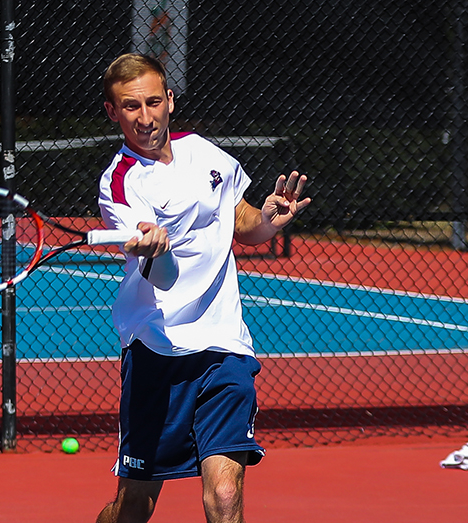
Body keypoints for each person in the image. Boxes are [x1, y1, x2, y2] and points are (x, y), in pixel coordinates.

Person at [95, 53, 311, 523]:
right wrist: (156, 250)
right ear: (113, 112)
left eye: (154, 102)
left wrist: (268, 220)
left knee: (225, 494)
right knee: (134, 507)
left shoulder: (205, 153)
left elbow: (241, 221)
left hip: (223, 345)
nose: (145, 117)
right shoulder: (120, 184)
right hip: (157, 349)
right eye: (131, 106)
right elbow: (164, 278)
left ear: (170, 100)